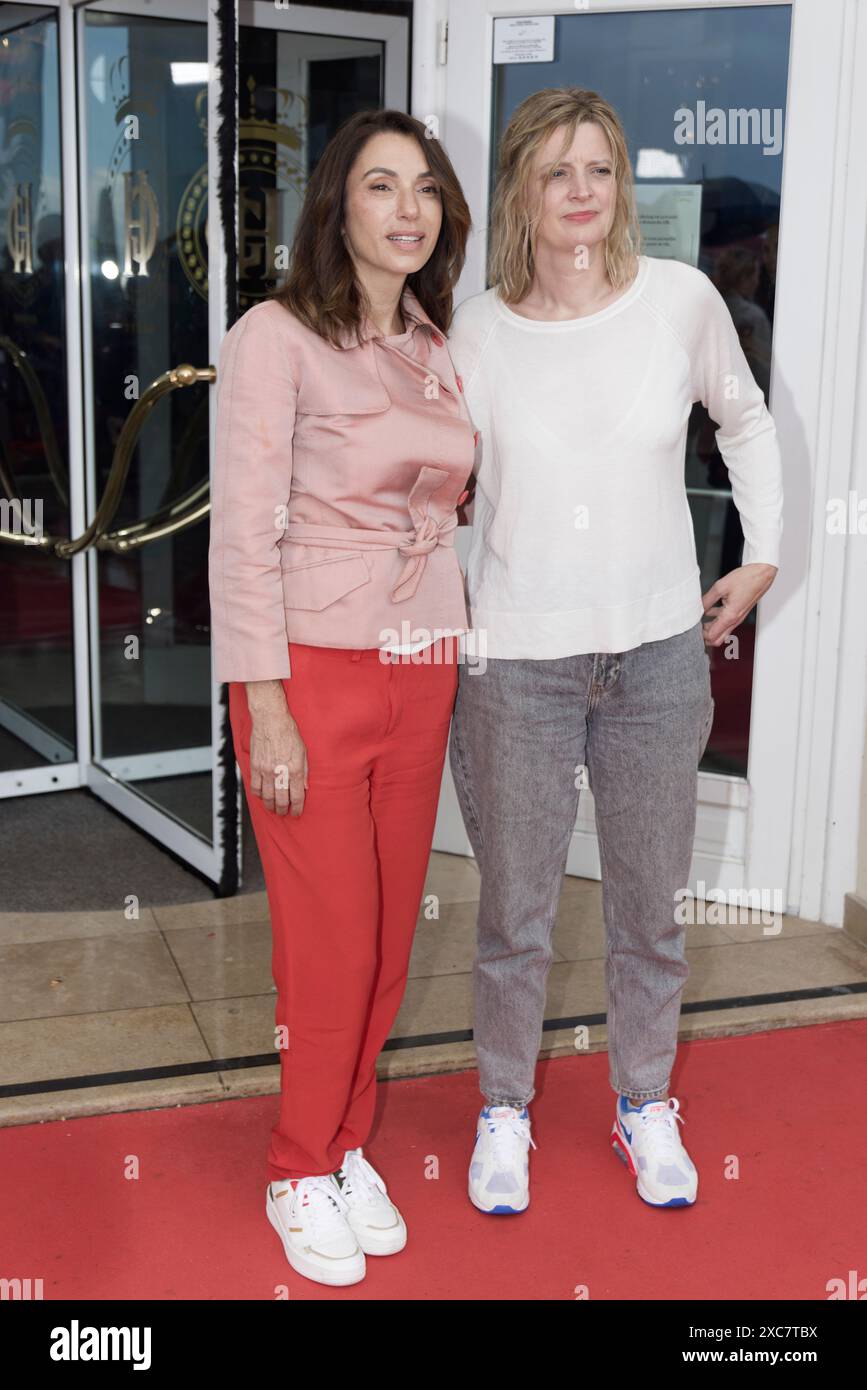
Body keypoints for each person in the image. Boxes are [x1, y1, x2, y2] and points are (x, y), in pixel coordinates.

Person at [446, 87, 783, 1212]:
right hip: (518, 666)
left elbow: (742, 419)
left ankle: (644, 1100)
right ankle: (504, 1107)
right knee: (515, 911)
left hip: (655, 656)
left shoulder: (682, 302)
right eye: (557, 172)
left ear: (619, 186)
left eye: (598, 169)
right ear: (523, 195)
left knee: (650, 907)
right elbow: (439, 485)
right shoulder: (476, 327)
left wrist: (765, 549)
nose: (581, 191)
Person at [208, 109, 476, 1285]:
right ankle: (294, 1164)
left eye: (424, 188)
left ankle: (345, 1138)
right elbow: (242, 533)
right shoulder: (274, 337)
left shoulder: (431, 338)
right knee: (330, 940)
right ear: (340, 206)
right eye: (381, 186)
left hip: (424, 663)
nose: (408, 208)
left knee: (385, 936)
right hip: (308, 674)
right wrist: (261, 700)